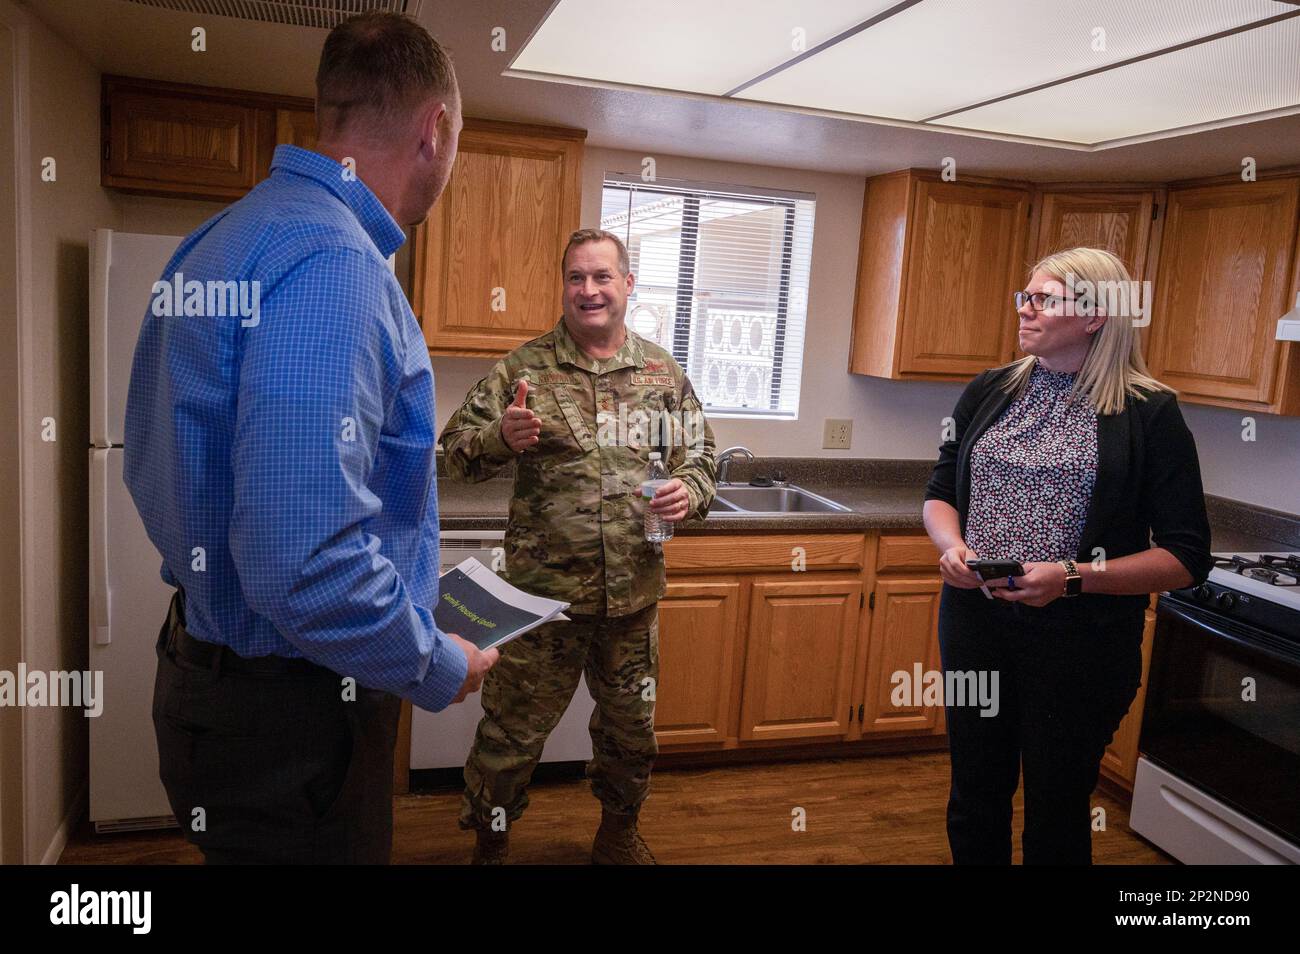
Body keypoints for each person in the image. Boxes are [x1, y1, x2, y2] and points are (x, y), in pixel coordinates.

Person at [124, 11, 497, 864]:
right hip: (291, 721)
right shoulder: (336, 267)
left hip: (212, 683)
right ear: (435, 130)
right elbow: (302, 563)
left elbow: (154, 469)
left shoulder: (218, 240)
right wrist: (436, 662)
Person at [922, 246, 1213, 865]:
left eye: (1041, 299)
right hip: (976, 623)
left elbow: (1187, 555)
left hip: (1081, 640)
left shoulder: (1148, 412)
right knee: (975, 792)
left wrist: (1072, 578)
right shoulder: (991, 390)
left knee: (1055, 808)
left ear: (1095, 316)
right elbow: (941, 493)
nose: (1023, 310)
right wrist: (954, 549)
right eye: (1023, 297)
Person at [440, 228, 717, 864]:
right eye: (575, 278)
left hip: (632, 604)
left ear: (627, 284)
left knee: (631, 737)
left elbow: (701, 455)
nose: (588, 290)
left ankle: (618, 837)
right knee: (510, 738)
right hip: (542, 606)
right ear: (563, 286)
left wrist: (689, 490)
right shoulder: (524, 370)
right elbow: (451, 453)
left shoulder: (661, 373)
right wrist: (500, 440)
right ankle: (491, 842)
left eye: (601, 277)